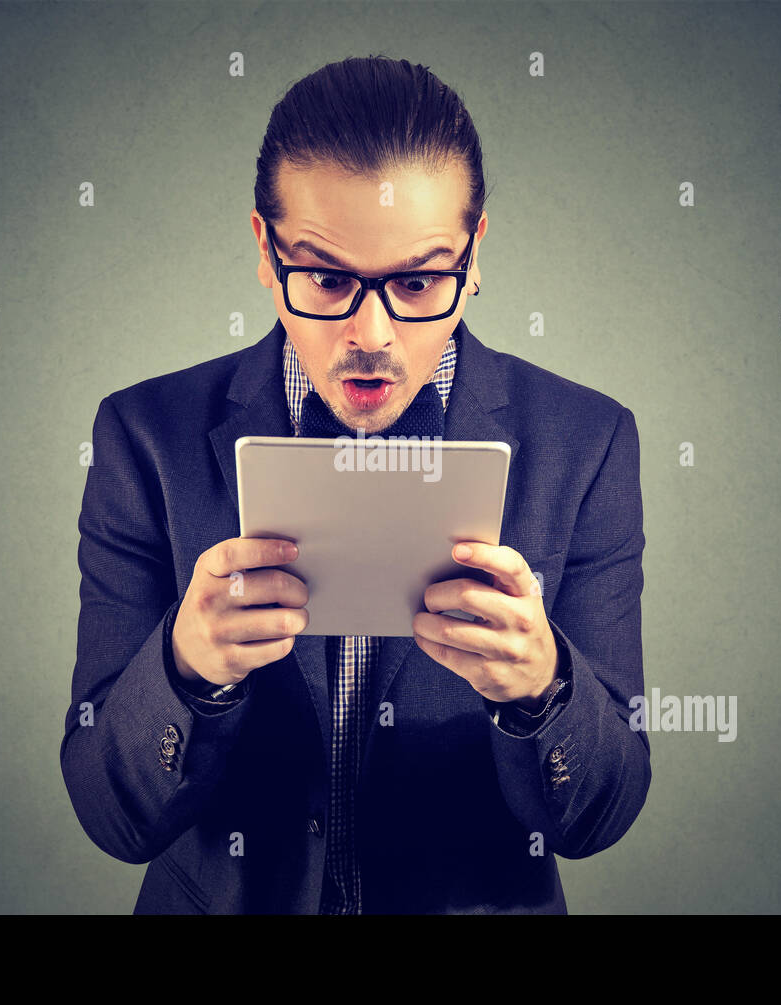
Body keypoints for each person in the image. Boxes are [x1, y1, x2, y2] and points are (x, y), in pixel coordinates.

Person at [60, 55, 650, 914]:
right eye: (329, 277)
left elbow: (600, 813)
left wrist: (543, 685)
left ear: (474, 254)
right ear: (266, 250)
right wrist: (185, 670)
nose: (370, 334)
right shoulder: (144, 436)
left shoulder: (587, 442)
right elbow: (111, 816)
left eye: (417, 280)